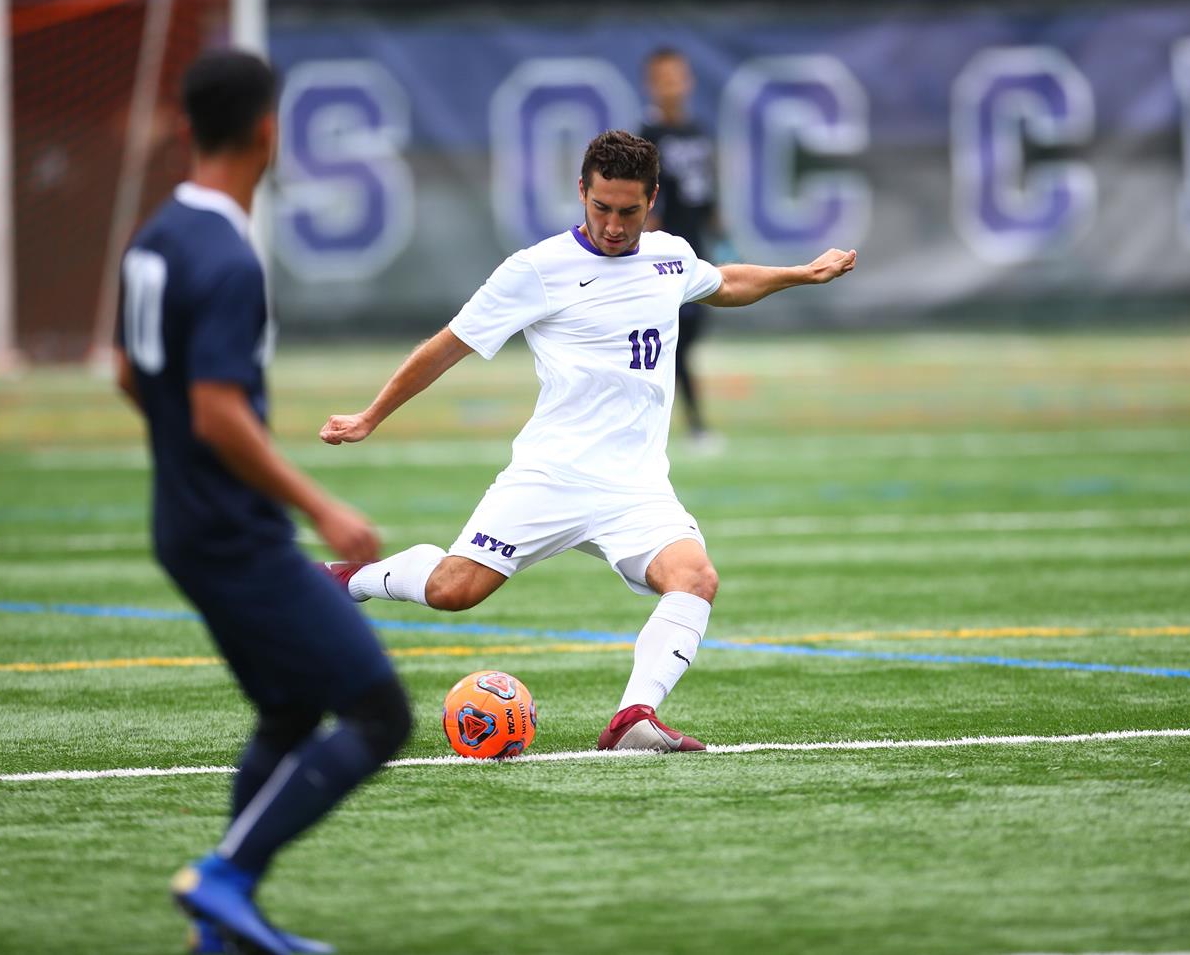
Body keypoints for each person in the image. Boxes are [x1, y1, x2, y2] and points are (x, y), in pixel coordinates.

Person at [319, 129, 855, 753]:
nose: (613, 225)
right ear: (581, 191)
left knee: (695, 577)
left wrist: (800, 273)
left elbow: (723, 283)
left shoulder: (669, 256)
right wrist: (370, 416)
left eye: (629, 211)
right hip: (551, 475)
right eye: (601, 207)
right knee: (451, 591)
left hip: (636, 487)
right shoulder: (536, 269)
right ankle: (349, 580)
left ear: (651, 200)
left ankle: (633, 719)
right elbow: (448, 345)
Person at [115, 49, 411, 955]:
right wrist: (321, 508)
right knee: (379, 712)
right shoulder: (228, 258)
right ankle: (224, 879)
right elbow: (216, 411)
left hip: (182, 521)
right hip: (234, 534)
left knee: (289, 711)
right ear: (268, 132)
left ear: (185, 127)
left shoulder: (157, 235)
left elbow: (133, 372)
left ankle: (222, 930)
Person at [640, 47, 722, 449]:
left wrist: (722, 239)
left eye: (677, 76)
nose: (672, 85)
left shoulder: (697, 132)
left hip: (697, 249)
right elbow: (642, 200)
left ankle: (687, 423)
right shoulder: (647, 136)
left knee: (683, 338)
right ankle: (693, 424)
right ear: (651, 85)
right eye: (663, 77)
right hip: (663, 255)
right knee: (670, 340)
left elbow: (706, 195)